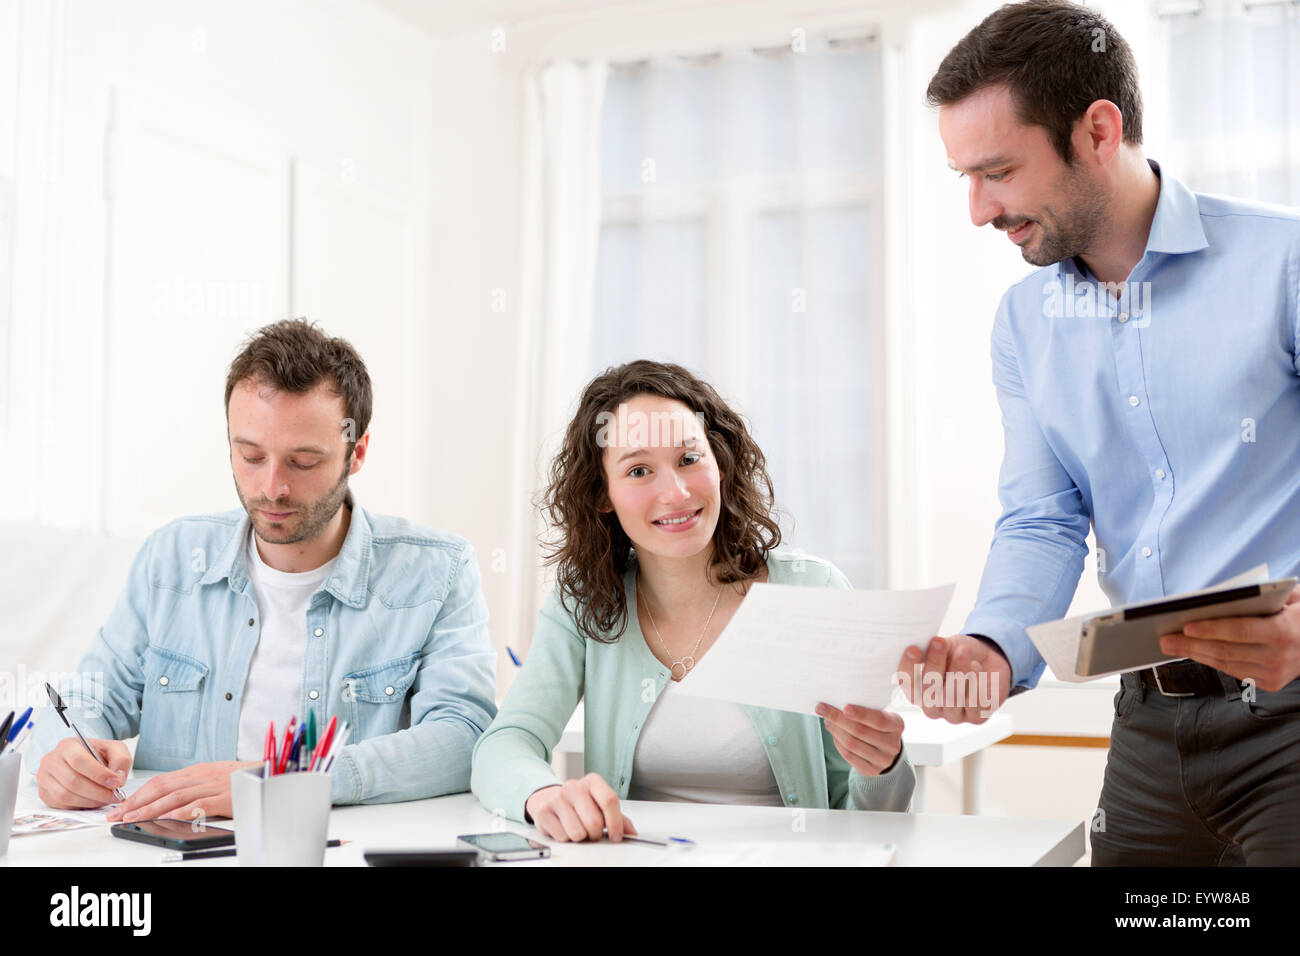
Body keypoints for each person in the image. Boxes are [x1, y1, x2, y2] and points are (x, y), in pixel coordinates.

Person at [902, 0, 1300, 864]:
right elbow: (1043, 518)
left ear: (1097, 130)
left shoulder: (1284, 265)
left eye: (999, 171)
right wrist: (991, 648)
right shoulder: (1024, 323)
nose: (978, 209)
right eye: (964, 178)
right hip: (1150, 733)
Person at [29, 319, 497, 819]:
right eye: (251, 455)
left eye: (303, 461)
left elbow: (462, 737)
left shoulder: (436, 571)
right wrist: (68, 753)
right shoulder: (172, 559)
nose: (272, 487)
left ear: (356, 452)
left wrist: (285, 780)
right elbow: (87, 696)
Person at [472, 360, 914, 841]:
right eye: (639, 470)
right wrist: (541, 796)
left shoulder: (813, 592)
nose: (676, 492)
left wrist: (882, 766)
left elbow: (868, 819)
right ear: (604, 495)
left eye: (689, 459)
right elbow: (506, 742)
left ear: (719, 464)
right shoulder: (586, 604)